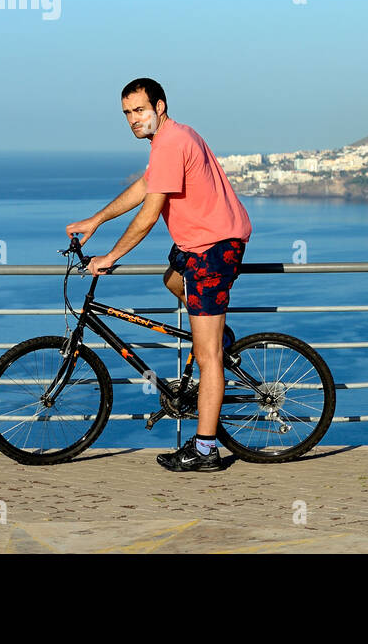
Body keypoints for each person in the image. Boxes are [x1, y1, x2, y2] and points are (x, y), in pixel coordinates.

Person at [65, 77, 252, 472]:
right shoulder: (170, 139)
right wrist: (96, 220)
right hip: (196, 246)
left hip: (213, 250)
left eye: (140, 110)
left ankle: (205, 451)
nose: (133, 119)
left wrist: (111, 256)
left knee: (206, 357)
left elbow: (149, 214)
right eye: (127, 114)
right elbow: (146, 186)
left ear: (160, 106)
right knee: (170, 279)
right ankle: (222, 335)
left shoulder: (171, 141)